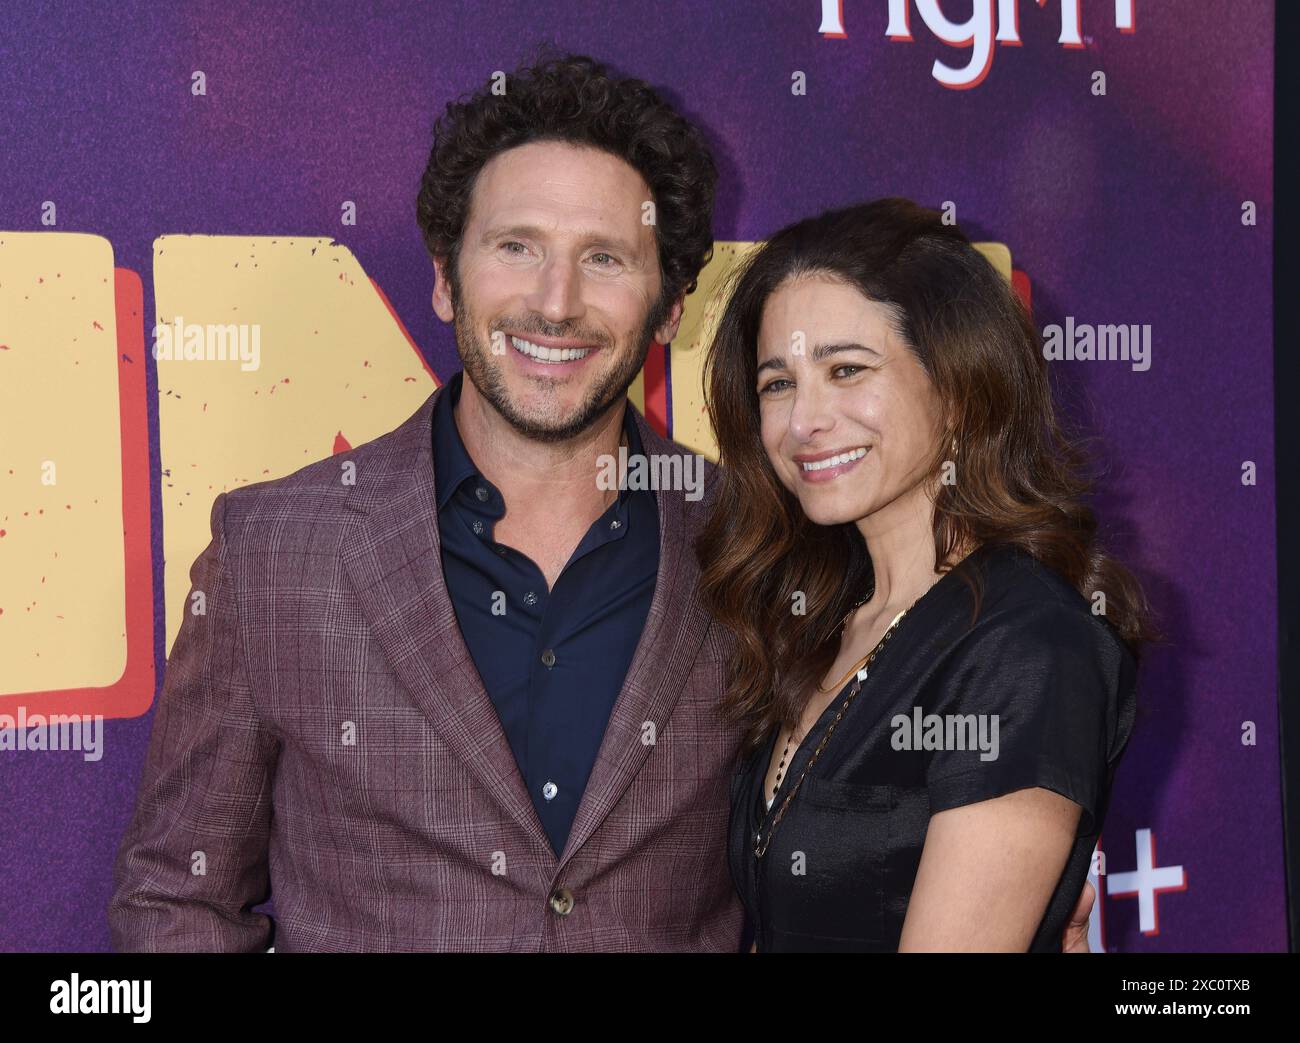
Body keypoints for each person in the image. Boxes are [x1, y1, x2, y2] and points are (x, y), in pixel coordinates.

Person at [108, 53, 1095, 952]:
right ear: (447, 277)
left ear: (669, 306)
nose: (554, 301)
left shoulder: (766, 545)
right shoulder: (275, 551)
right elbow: (178, 899)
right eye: (516, 247)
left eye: (606, 258)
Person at [697, 198, 1152, 951]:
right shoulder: (821, 622)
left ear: (958, 388)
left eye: (846, 370)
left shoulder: (1026, 647)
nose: (802, 420)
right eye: (778, 382)